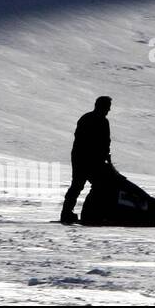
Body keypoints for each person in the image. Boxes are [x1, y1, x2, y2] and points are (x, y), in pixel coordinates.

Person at [59, 96, 114, 224]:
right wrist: (98, 155)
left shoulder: (103, 121)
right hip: (83, 159)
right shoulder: (87, 119)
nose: (109, 110)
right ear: (101, 106)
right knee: (79, 184)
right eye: (107, 107)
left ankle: (90, 212)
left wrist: (106, 157)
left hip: (92, 159)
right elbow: (82, 140)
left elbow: (106, 143)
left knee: (97, 185)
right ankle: (69, 213)